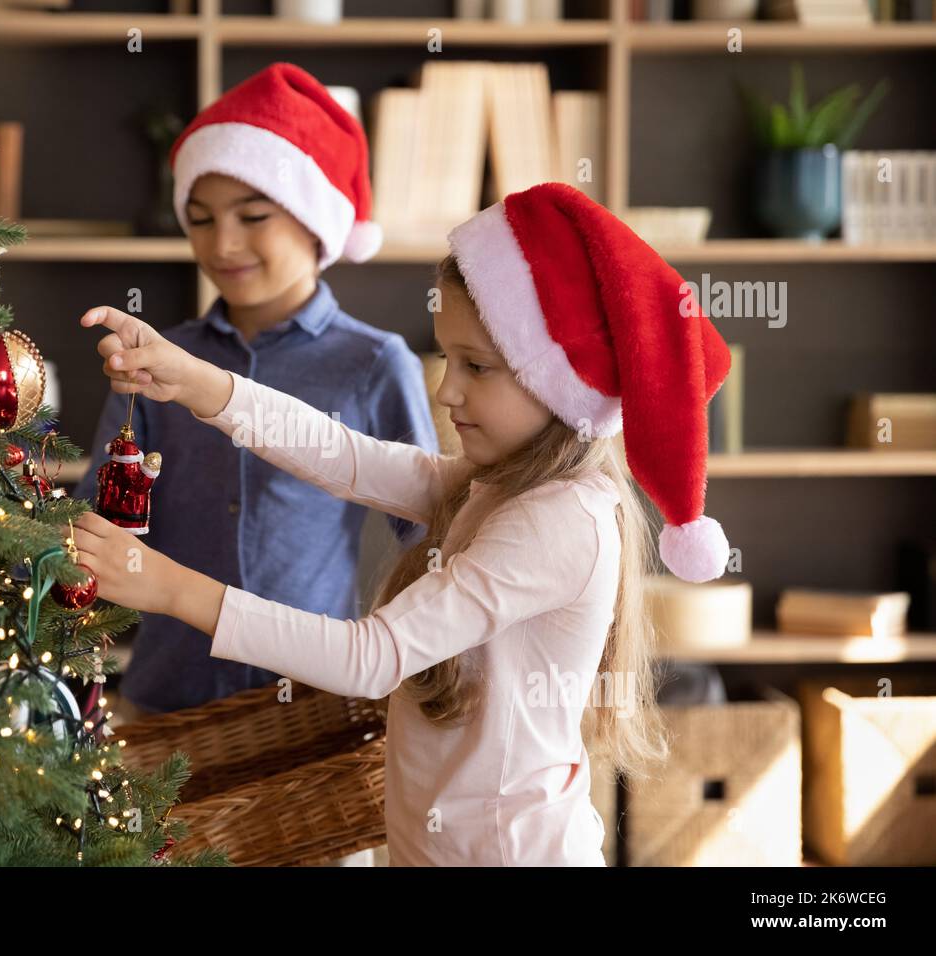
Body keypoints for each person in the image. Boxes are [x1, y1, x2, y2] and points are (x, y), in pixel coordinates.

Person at [73, 182, 734, 866]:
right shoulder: (502, 484)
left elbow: (370, 658)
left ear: (560, 381)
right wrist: (194, 381)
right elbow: (347, 457)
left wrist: (171, 588)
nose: (447, 391)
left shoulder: (560, 518)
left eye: (476, 366)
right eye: (449, 358)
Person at [74, 63, 438, 718]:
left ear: (315, 219)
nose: (225, 243)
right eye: (202, 218)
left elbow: (433, 538)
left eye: (253, 214)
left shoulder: (377, 363)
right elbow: (97, 513)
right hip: (165, 701)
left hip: (310, 712)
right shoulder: (158, 359)